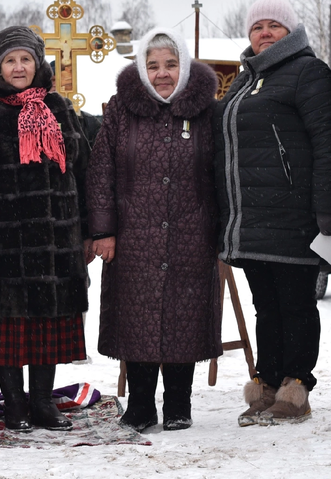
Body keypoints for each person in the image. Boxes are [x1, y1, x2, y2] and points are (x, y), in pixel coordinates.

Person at [0, 26, 92, 431]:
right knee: (8, 327)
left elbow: (81, 174)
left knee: (49, 327)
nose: (18, 67)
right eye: (10, 60)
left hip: (55, 240)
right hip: (3, 242)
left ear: (38, 63)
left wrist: (84, 232)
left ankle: (43, 403)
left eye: (25, 59)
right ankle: (14, 405)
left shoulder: (59, 108)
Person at [214, 0, 331, 426]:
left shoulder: (308, 72)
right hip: (250, 220)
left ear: (291, 31)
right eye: (256, 27)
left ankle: (296, 387)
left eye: (274, 25)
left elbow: (327, 143)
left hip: (294, 216)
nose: (264, 33)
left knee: (297, 305)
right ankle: (267, 384)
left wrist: (327, 208)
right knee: (265, 307)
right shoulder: (243, 80)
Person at [86, 27, 221, 432]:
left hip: (192, 233)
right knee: (137, 317)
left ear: (184, 67)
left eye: (171, 64)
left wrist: (222, 229)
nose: (163, 73)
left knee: (186, 316)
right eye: (154, 65)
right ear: (142, 71)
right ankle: (142, 404)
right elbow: (100, 174)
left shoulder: (206, 114)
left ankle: (179, 403)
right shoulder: (119, 113)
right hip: (132, 236)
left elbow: (221, 174)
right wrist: (103, 230)